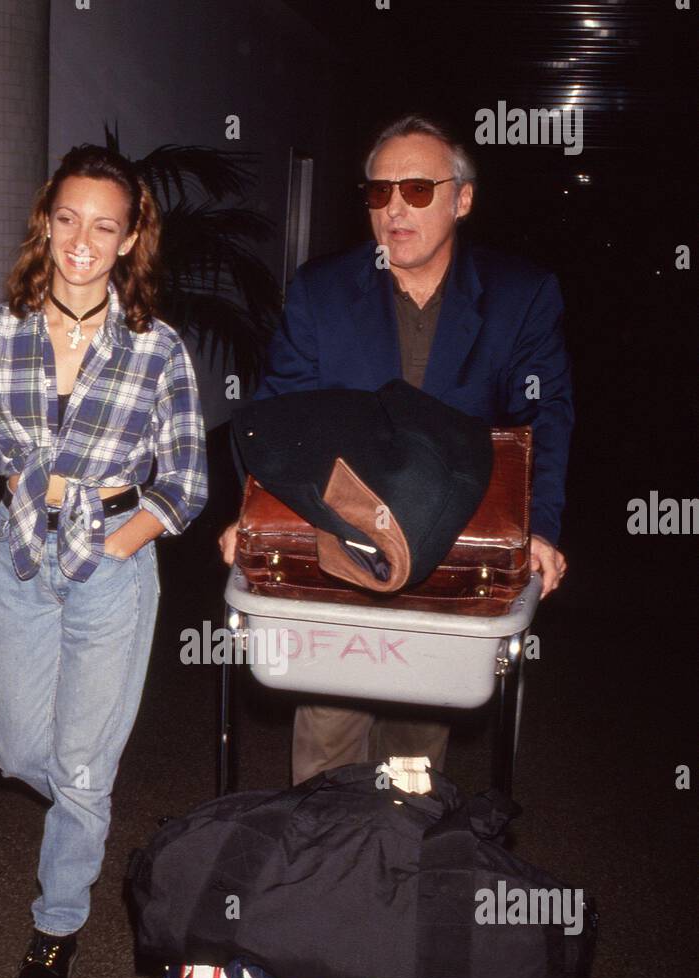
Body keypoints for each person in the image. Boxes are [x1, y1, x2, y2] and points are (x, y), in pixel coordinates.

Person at [0, 144, 208, 978]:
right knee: (11, 747)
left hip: (110, 571)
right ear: (47, 223)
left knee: (81, 765)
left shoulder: (156, 349)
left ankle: (57, 924)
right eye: (69, 219)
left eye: (105, 227)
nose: (84, 241)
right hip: (17, 561)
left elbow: (188, 478)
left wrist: (124, 543)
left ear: (129, 242)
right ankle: (90, 806)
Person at [219, 113, 571, 784]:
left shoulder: (519, 297)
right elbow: (275, 415)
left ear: (461, 199)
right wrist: (255, 518)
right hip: (338, 535)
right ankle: (325, 866)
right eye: (379, 192)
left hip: (450, 544)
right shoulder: (323, 292)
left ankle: (398, 862)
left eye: (416, 189)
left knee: (417, 740)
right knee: (327, 726)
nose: (395, 209)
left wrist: (540, 530)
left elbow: (542, 420)